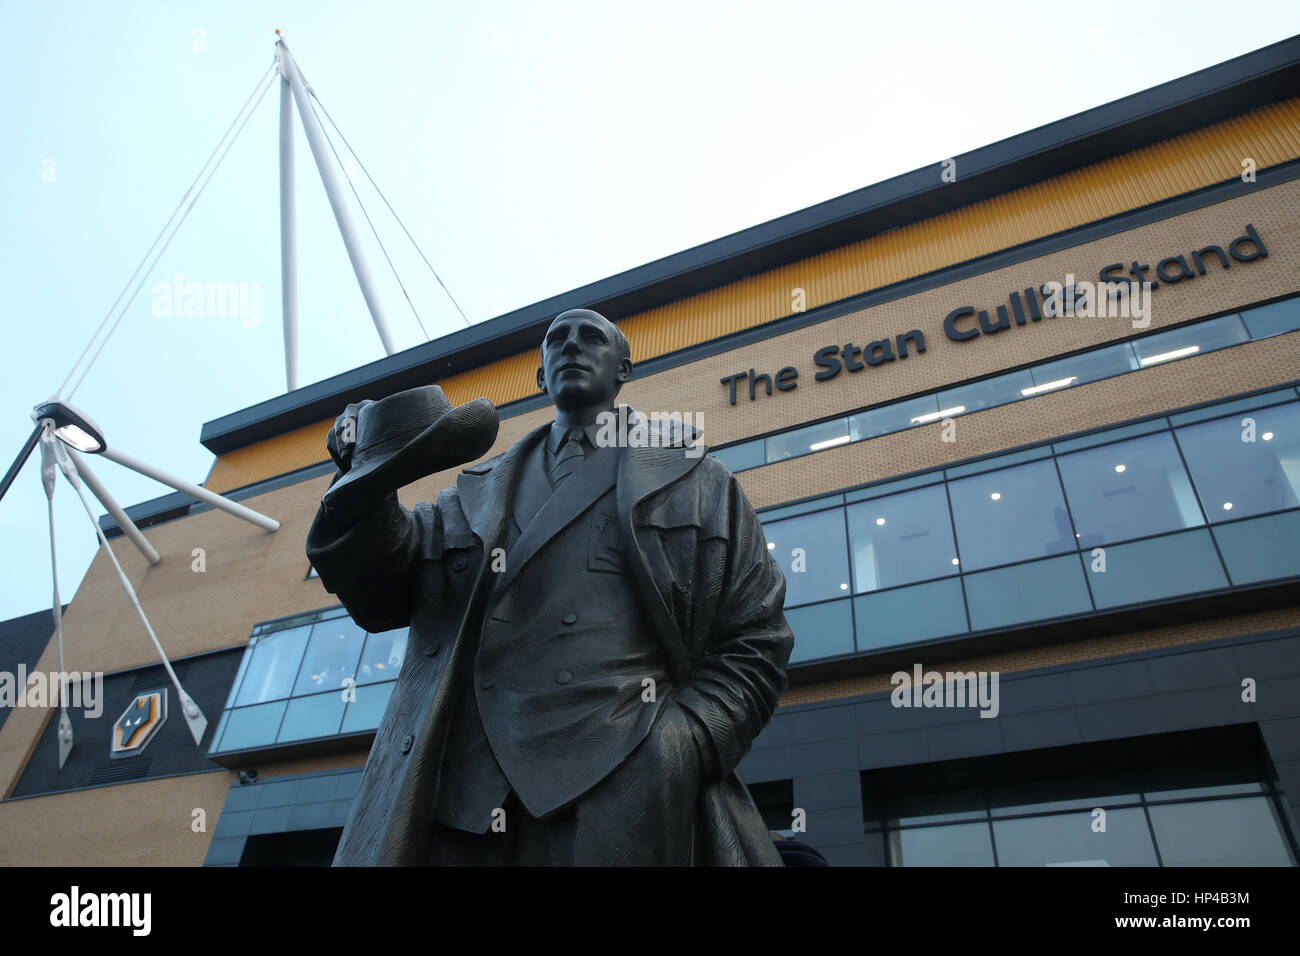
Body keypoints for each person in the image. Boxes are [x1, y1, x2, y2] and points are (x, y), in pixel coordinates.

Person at [307, 308, 793, 865]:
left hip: (619, 779)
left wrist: (682, 744)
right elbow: (382, 589)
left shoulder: (695, 479)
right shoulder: (471, 495)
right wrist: (363, 479)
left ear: (623, 369)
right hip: (466, 789)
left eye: (591, 337)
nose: (571, 346)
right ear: (540, 376)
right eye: (556, 340)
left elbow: (756, 638)